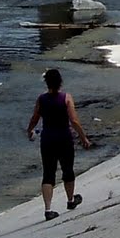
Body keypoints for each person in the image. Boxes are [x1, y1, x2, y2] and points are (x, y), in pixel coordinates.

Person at [26, 67, 93, 220]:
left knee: (48, 173)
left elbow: (35, 117)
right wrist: (83, 138)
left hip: (47, 139)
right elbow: (74, 121)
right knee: (67, 169)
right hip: (64, 138)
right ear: (60, 82)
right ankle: (70, 200)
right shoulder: (66, 98)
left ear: (46, 83)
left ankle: (48, 209)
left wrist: (29, 129)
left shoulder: (41, 99)